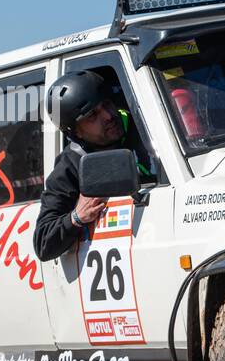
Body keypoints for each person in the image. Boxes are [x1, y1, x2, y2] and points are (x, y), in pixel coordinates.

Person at [34, 70, 152, 261]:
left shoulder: (144, 125)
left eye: (106, 104)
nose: (107, 116)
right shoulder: (70, 165)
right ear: (76, 133)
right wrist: (76, 217)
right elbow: (43, 243)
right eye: (92, 115)